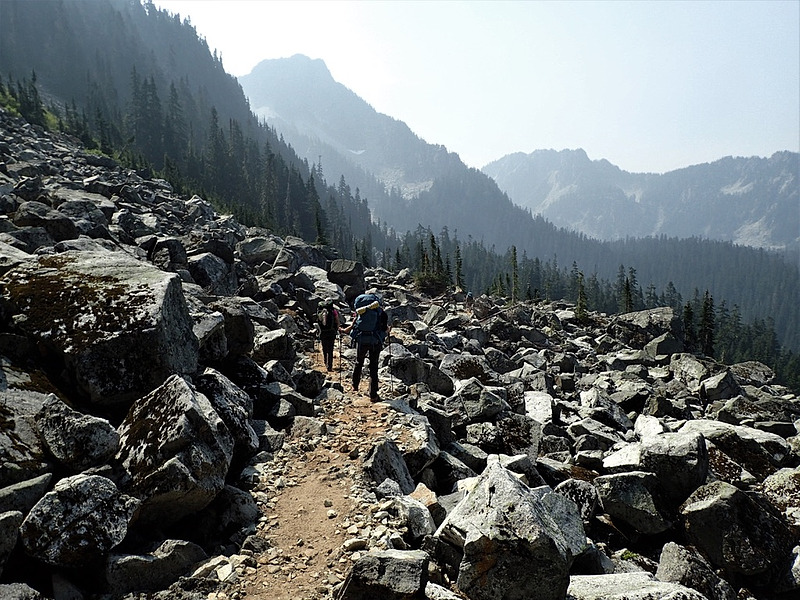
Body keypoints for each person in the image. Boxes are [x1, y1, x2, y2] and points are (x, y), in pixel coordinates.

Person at [340, 292, 390, 400]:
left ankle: (355, 385)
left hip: (362, 340)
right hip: (375, 341)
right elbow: (384, 328)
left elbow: (354, 325)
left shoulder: (360, 312)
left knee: (359, 362)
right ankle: (373, 395)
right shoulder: (381, 313)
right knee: (373, 367)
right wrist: (388, 330)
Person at [316, 299, 340, 371]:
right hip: (331, 332)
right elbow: (337, 321)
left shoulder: (320, 310)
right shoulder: (333, 311)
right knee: (330, 349)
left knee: (324, 348)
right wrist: (337, 329)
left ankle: (325, 362)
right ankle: (330, 366)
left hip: (323, 332)